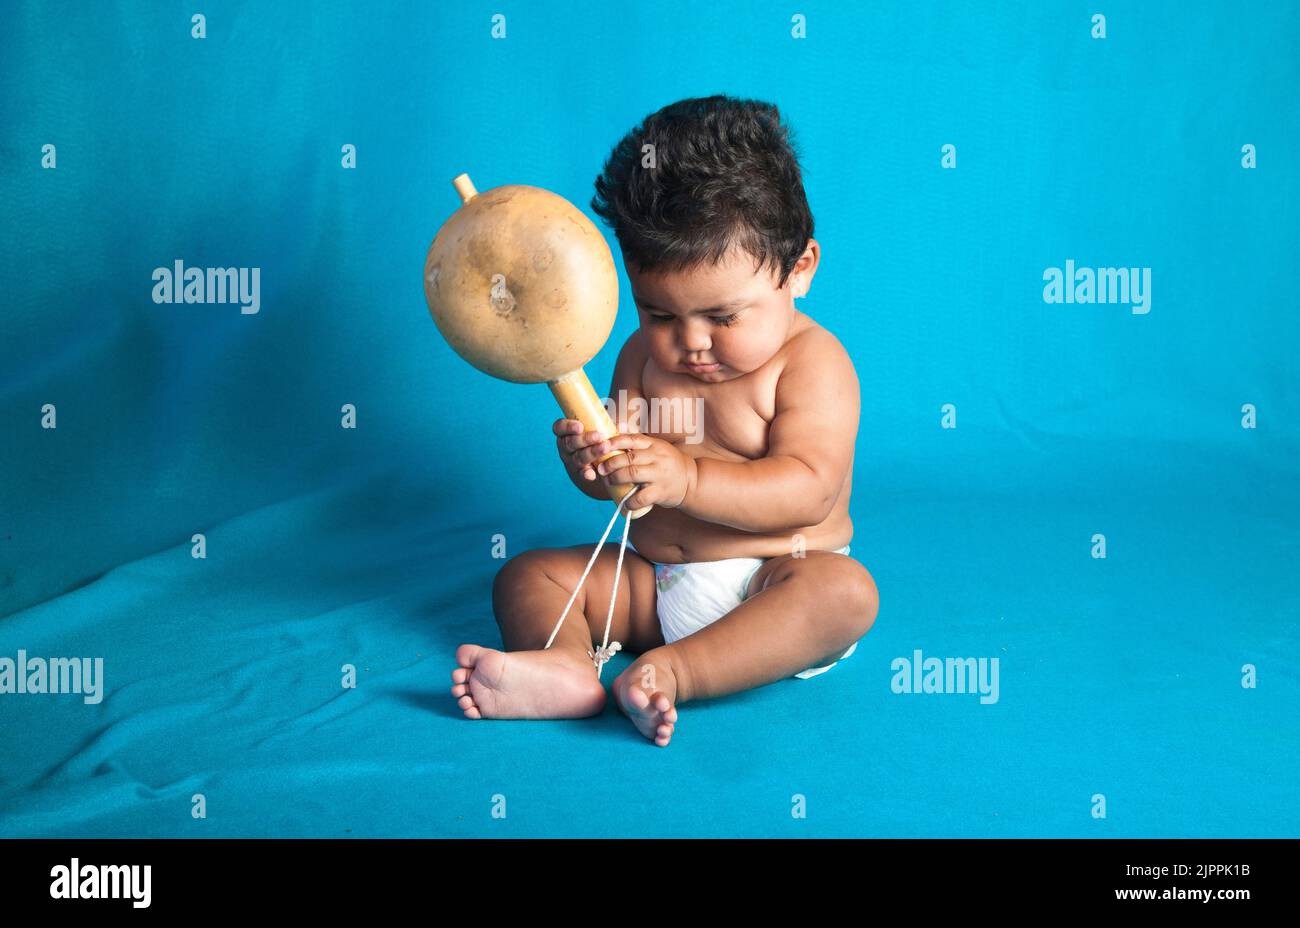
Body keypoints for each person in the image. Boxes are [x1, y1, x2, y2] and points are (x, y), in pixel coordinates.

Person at [450, 95, 879, 746]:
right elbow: (626, 493)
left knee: (845, 594)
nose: (691, 343)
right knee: (529, 574)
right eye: (659, 314)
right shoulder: (642, 359)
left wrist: (685, 479)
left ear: (800, 271)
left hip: (769, 579)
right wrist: (595, 467)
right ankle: (565, 667)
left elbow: (808, 489)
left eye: (723, 318)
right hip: (654, 587)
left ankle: (671, 673)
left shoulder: (812, 364)